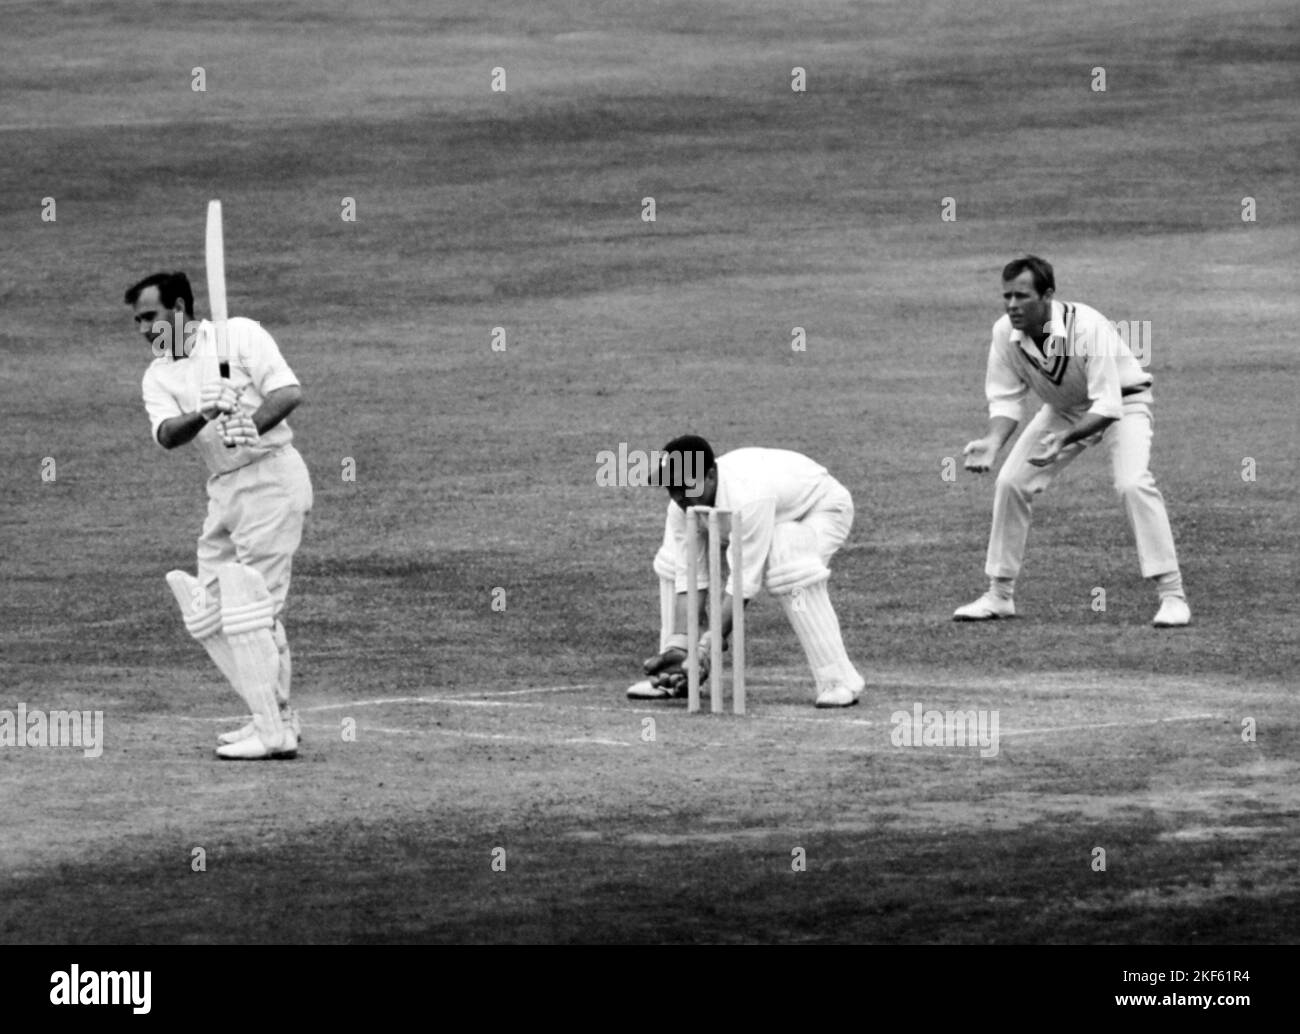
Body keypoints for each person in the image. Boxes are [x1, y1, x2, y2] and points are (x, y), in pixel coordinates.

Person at [126, 271, 313, 759]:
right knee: (210, 611)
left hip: (270, 478)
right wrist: (207, 414)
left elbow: (288, 392)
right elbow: (167, 434)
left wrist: (248, 424)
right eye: (139, 320)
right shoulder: (159, 374)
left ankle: (272, 729)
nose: (145, 328)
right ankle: (273, 714)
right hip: (223, 491)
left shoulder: (240, 335)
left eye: (151, 316)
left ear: (181, 308)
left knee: (254, 607)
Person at [955, 255, 1190, 626]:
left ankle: (1172, 596)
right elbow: (1005, 399)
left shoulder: (1088, 326)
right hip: (1063, 408)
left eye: (1022, 296)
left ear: (1047, 295)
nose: (1013, 306)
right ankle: (999, 595)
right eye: (1007, 297)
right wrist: (993, 441)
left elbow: (1108, 403)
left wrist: (1067, 437)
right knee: (1011, 482)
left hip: (1123, 404)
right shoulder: (1004, 333)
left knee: (1132, 483)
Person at [628, 435, 865, 708]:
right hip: (753, 516)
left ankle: (838, 680)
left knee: (787, 557)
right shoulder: (682, 505)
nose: (680, 497)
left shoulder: (748, 496)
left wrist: (709, 643)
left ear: (710, 475)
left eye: (686, 486)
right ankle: (676, 676)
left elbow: (742, 584)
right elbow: (689, 576)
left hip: (819, 510)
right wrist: (681, 644)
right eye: (673, 488)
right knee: (671, 560)